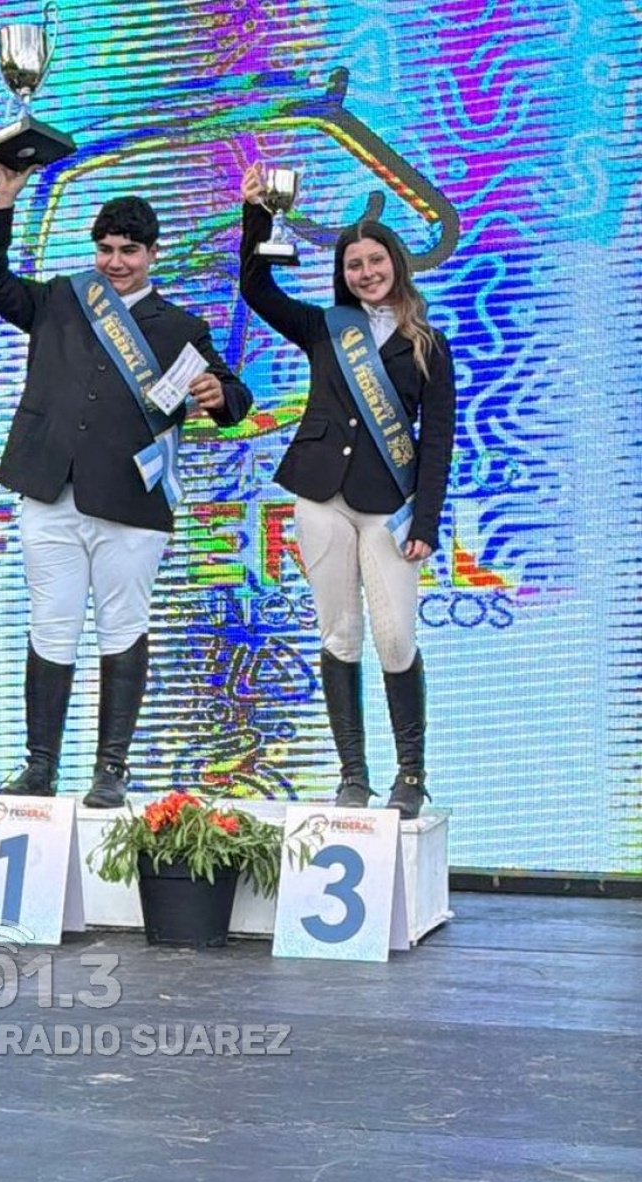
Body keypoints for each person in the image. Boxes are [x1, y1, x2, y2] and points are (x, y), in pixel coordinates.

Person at [0, 163, 253, 808]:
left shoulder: (181, 328)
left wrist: (218, 394)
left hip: (130, 502)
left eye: (128, 251)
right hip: (49, 490)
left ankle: (111, 769)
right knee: (51, 624)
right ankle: (40, 767)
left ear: (153, 254)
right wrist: (3, 199)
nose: (115, 262)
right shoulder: (61, 298)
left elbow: (234, 396)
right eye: (105, 249)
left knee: (122, 627)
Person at [239, 162, 457, 818]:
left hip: (391, 506)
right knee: (339, 634)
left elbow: (438, 440)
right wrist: (257, 214)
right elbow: (256, 289)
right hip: (319, 494)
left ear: (396, 264)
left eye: (375, 261)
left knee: (395, 638)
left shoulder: (429, 344)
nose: (366, 272)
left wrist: (426, 522)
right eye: (354, 264)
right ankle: (352, 777)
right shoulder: (324, 327)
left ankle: (410, 774)